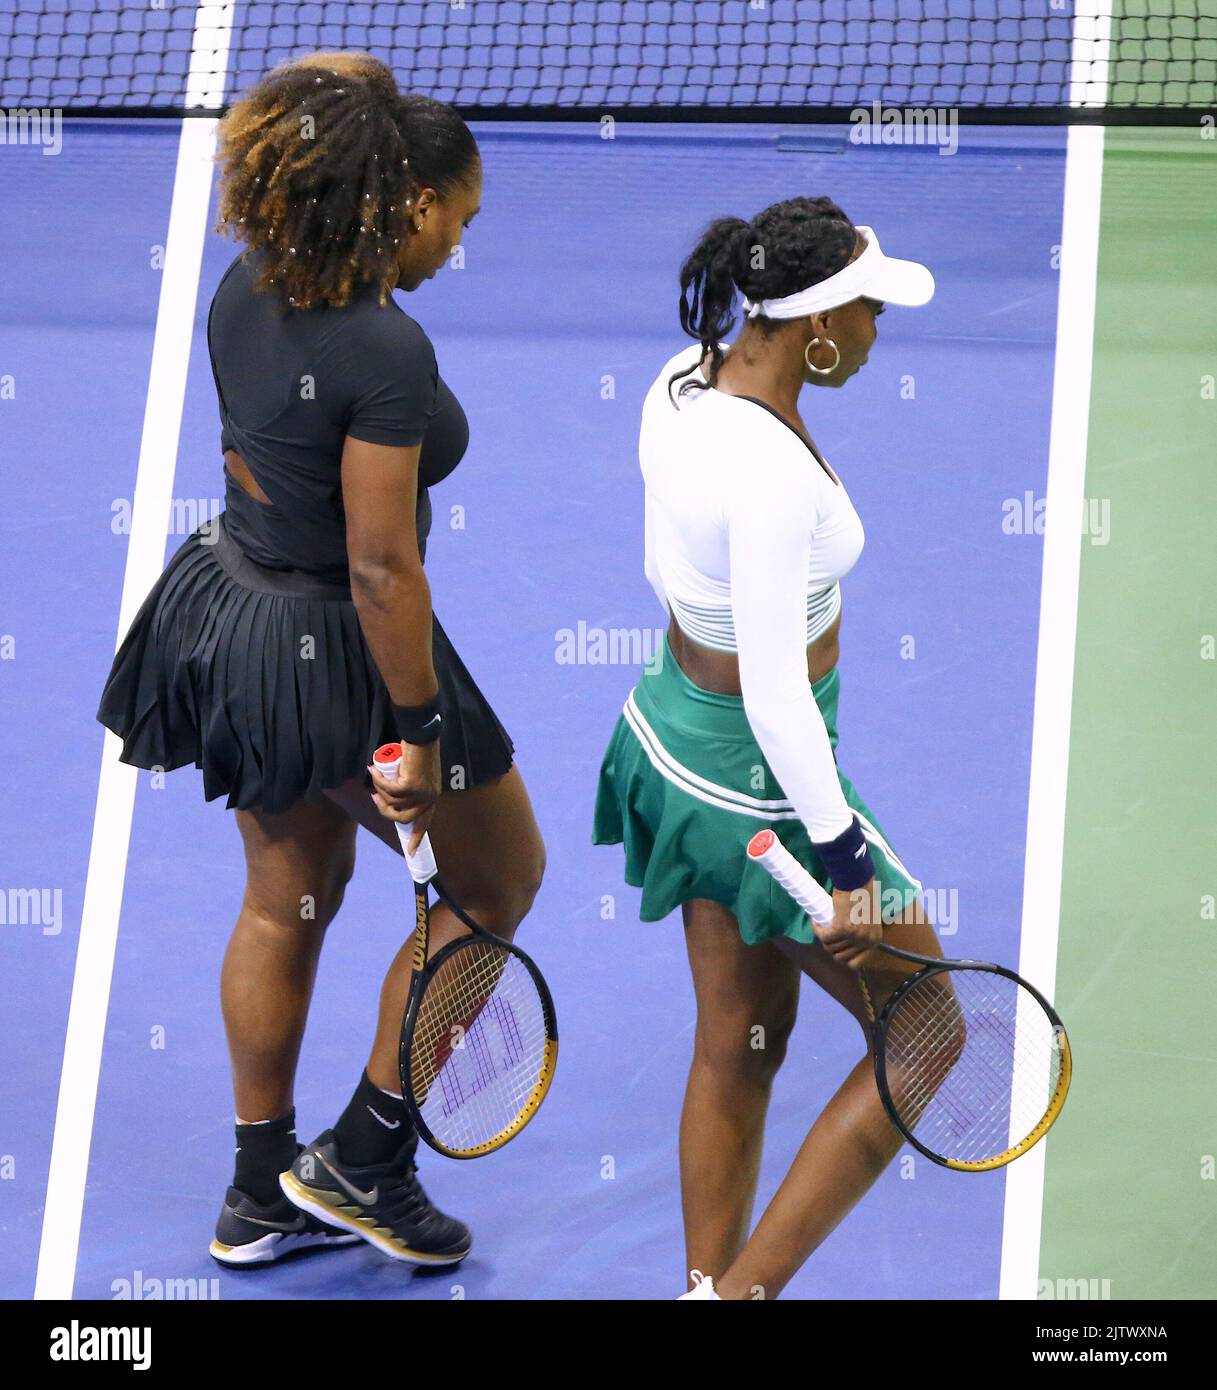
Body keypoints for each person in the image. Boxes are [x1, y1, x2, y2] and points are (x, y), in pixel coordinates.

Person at [97, 51, 545, 1268]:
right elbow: (382, 568)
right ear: (406, 204)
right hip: (332, 647)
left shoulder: (246, 281)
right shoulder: (379, 357)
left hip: (229, 613)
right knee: (496, 884)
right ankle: (366, 1155)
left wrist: (361, 91)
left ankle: (257, 1192)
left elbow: (314, 91)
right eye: (458, 215)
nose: (459, 240)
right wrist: (416, 732)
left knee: (285, 895)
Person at [593, 196, 941, 1300]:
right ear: (817, 328)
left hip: (670, 736)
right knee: (927, 1029)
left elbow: (671, 575)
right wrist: (841, 868)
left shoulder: (679, 378)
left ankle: (702, 1289)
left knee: (737, 1038)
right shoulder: (772, 478)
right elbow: (781, 697)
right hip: (759, 780)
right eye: (869, 310)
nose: (881, 329)